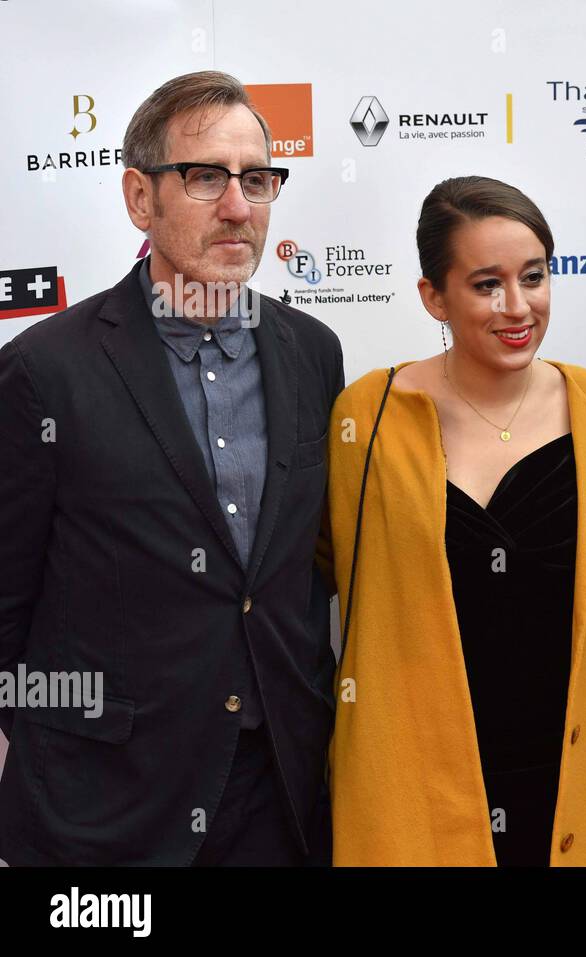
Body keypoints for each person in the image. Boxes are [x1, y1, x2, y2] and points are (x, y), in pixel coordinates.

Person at [0, 71, 342, 865]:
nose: (237, 207)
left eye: (256, 180)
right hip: (106, 810)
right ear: (138, 199)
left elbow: (303, 576)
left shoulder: (313, 353)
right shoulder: (44, 372)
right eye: (204, 177)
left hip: (276, 795)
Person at [321, 175, 586, 866]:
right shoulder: (368, 416)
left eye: (533, 277)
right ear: (433, 296)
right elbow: (326, 572)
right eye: (485, 284)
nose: (517, 306)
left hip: (578, 786)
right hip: (415, 790)